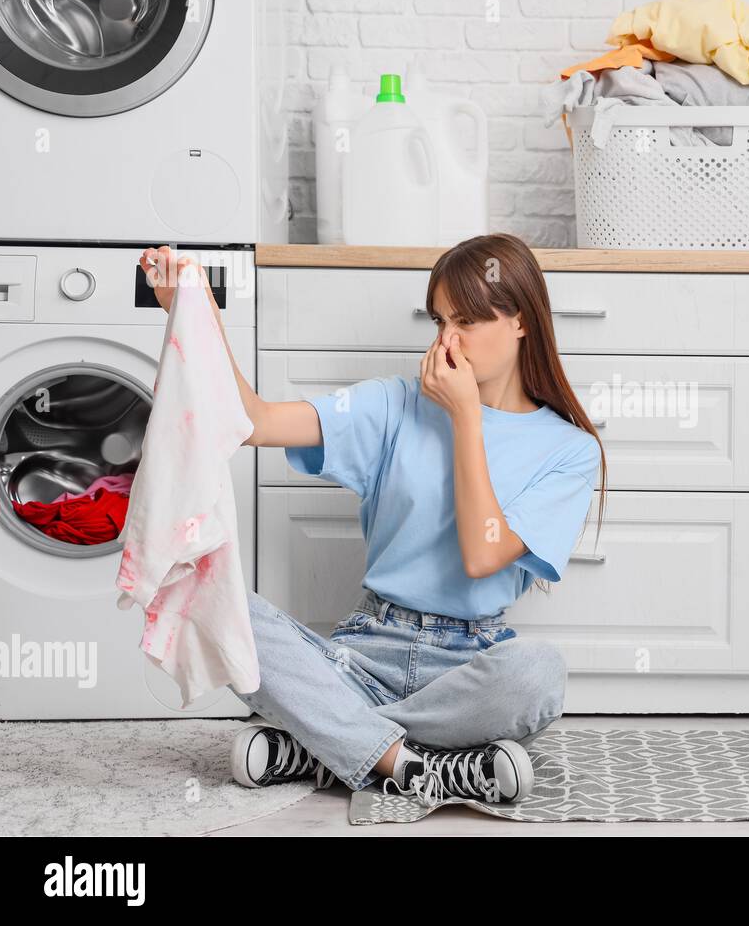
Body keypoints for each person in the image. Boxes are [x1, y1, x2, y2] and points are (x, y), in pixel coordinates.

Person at [139, 234, 606, 809]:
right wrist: (198, 311)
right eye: (440, 321)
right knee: (214, 595)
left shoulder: (569, 450)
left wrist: (465, 416)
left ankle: (324, 742)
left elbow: (482, 555)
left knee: (538, 673)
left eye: (466, 321)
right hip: (359, 656)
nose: (446, 341)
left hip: (467, 666)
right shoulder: (394, 404)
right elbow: (254, 421)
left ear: (520, 322)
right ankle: (414, 764)